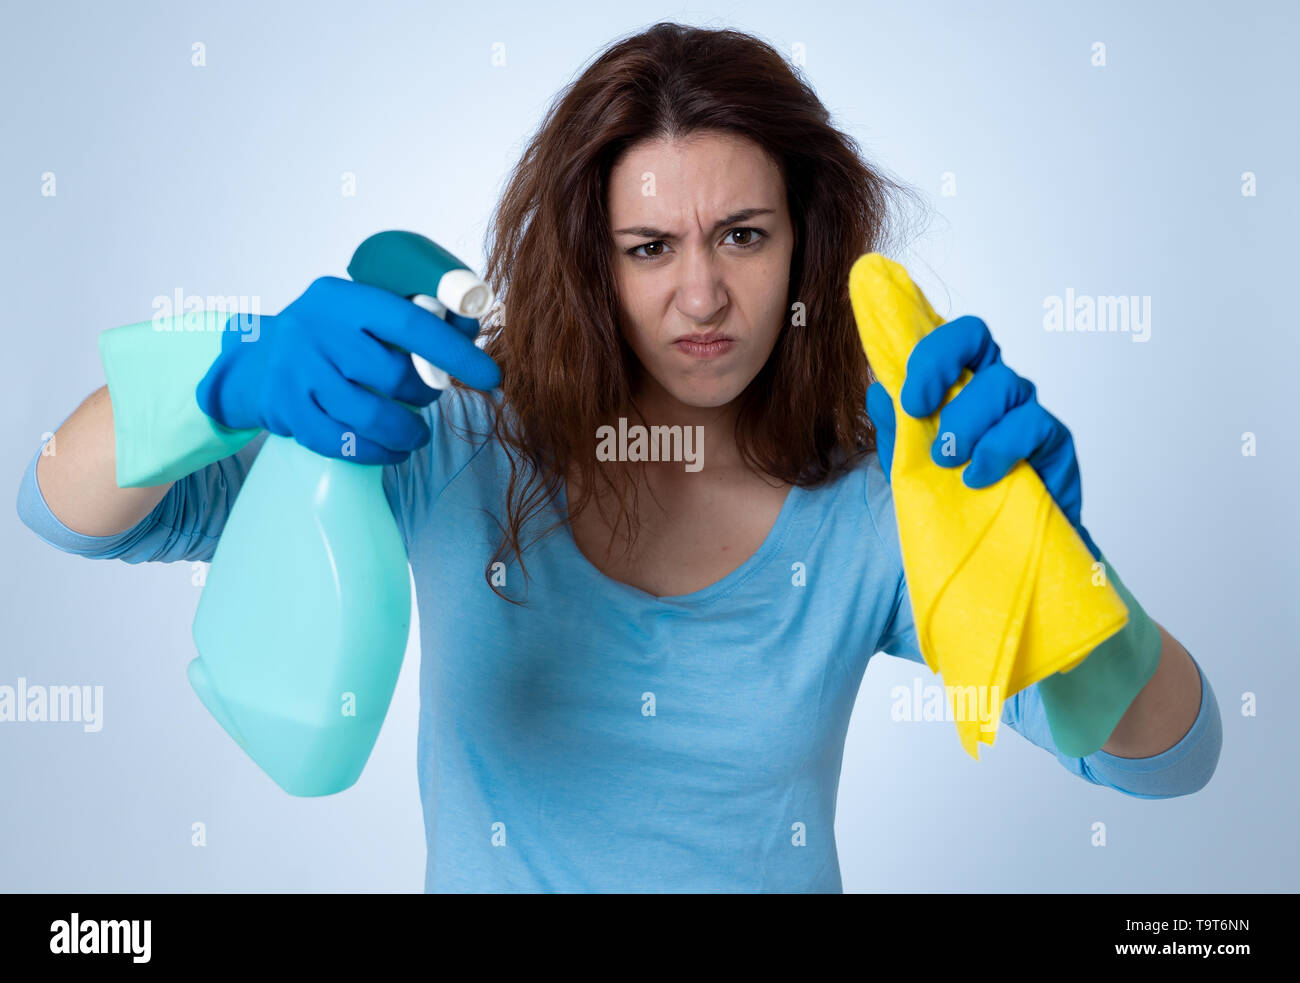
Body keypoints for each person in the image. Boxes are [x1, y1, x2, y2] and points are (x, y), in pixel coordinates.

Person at [16, 22, 1220, 893]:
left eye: (741, 235)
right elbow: (63, 503)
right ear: (589, 260)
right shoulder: (460, 435)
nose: (701, 295)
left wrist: (1066, 571)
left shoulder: (877, 498)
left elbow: (1168, 761)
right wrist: (226, 372)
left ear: (806, 244)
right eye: (648, 247)